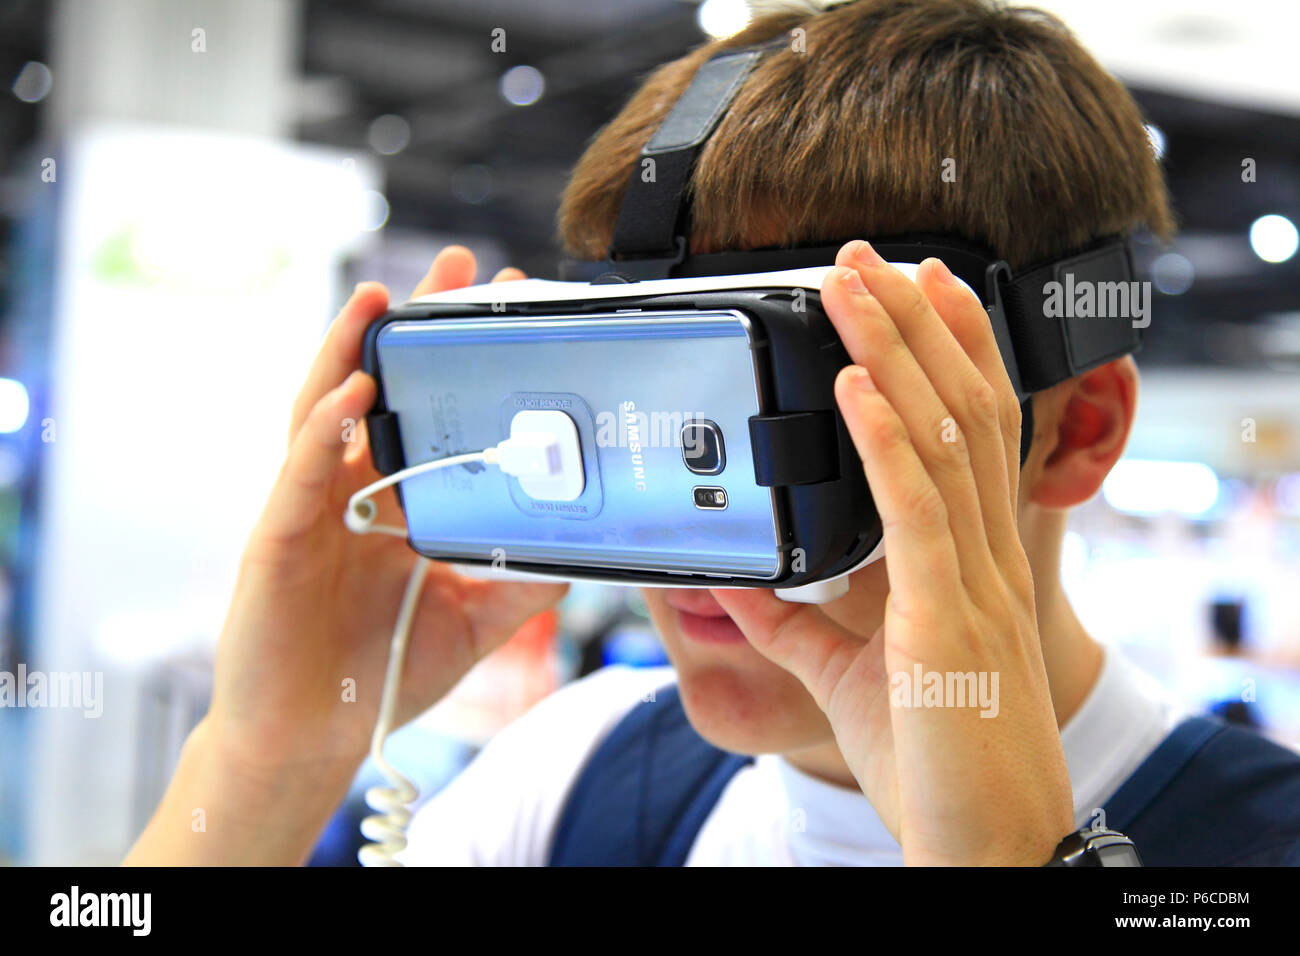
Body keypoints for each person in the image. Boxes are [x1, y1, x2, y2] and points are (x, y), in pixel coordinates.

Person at [125, 0, 1300, 867]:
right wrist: (265, 756)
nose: (692, 541)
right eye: (644, 392)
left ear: (1077, 430)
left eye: (783, 404)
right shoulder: (583, 773)